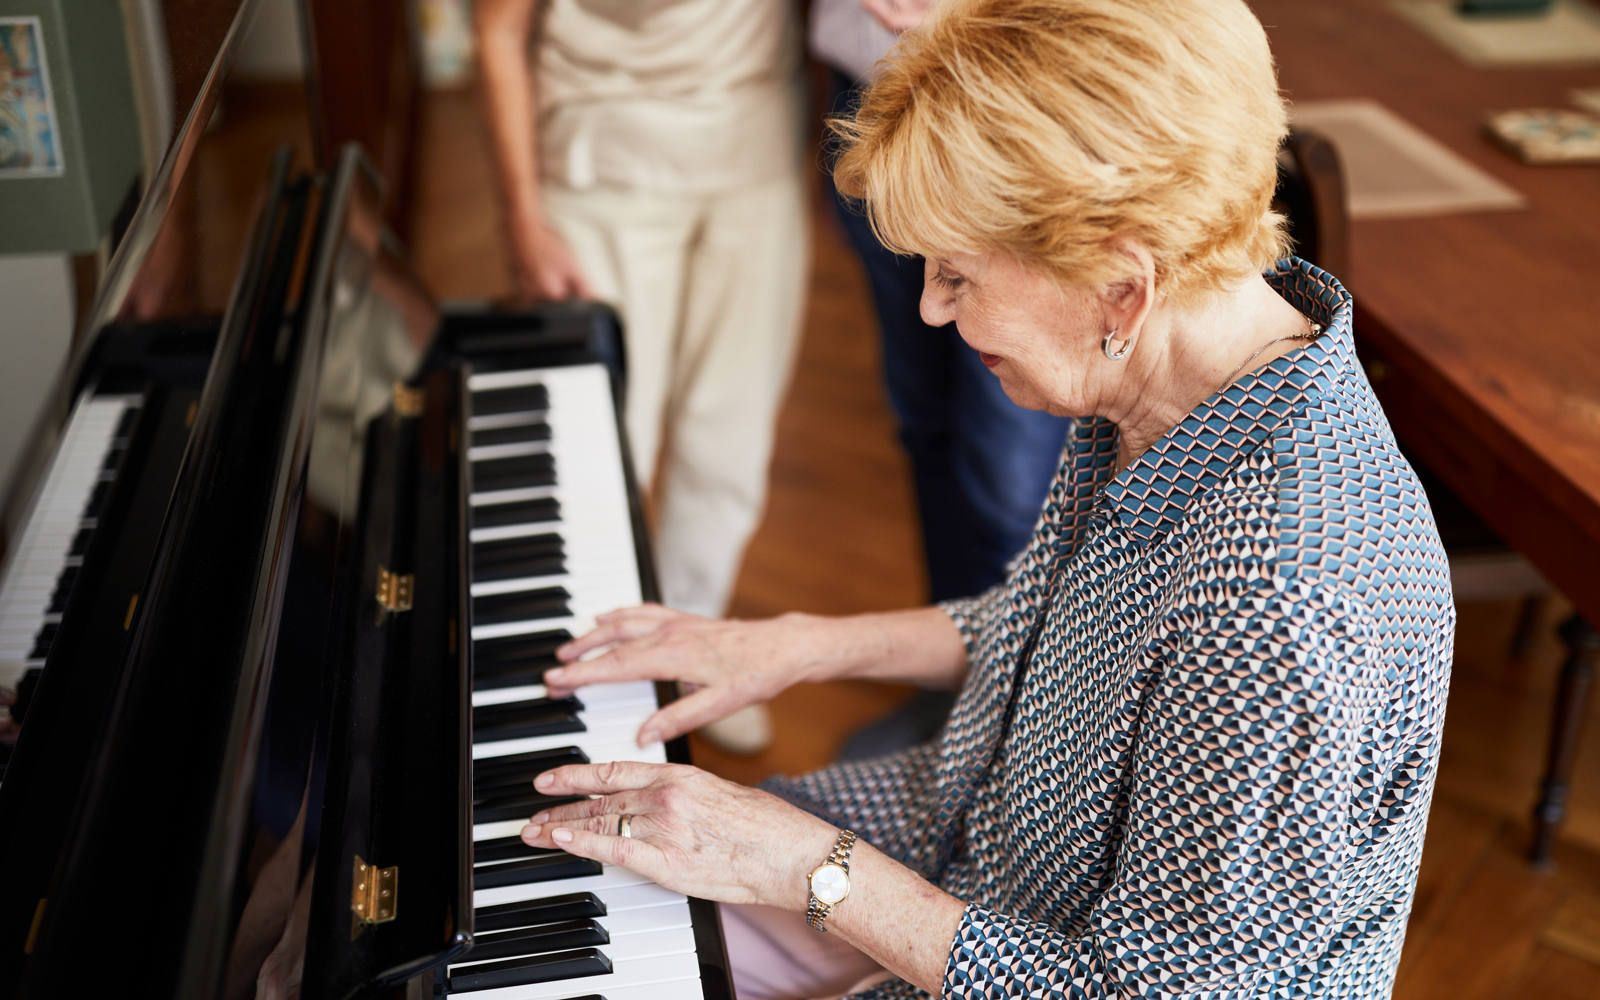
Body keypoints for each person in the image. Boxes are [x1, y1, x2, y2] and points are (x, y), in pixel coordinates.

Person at [510, 1, 1457, 997]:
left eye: (957, 274)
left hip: (1000, 945)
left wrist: (804, 865)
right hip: (965, 849)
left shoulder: (1280, 597)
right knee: (563, 887)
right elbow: (1072, 629)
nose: (930, 305)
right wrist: (795, 645)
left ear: (1118, 287)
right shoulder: (1172, 377)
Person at [473, 0, 810, 753]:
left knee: (730, 436)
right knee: (603, 446)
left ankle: (692, 648)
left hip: (756, 152)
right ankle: (599, 672)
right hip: (601, 166)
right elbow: (497, 27)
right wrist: (520, 218)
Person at [812, 0, 1075, 758]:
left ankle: (1017, 736)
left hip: (1012, 108)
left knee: (1010, 472)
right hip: (870, 90)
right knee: (924, 424)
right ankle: (954, 698)